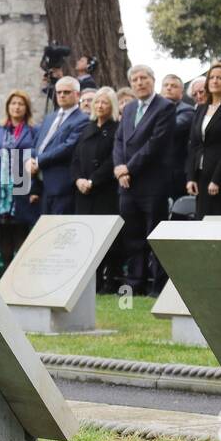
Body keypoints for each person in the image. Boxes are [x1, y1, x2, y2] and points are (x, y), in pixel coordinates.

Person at [113, 64, 175, 295]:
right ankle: (135, 282)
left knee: (154, 235)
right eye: (135, 79)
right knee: (133, 236)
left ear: (152, 80)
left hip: (152, 183)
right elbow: (119, 141)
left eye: (143, 78)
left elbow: (154, 145)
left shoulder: (165, 107)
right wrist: (120, 168)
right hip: (127, 185)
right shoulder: (128, 109)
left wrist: (128, 169)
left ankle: (157, 285)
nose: (139, 82)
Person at [72, 86, 123, 291]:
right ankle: (91, 281)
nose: (100, 106)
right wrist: (78, 180)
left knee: (105, 239)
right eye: (98, 102)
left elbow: (113, 160)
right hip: (82, 192)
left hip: (104, 191)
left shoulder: (116, 129)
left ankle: (108, 280)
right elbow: (75, 158)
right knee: (86, 239)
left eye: (105, 103)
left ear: (112, 106)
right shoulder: (87, 128)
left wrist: (93, 180)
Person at [0, 90, 39, 272]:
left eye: (21, 104)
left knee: (21, 231)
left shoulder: (33, 131)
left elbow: (38, 161)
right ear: (8, 106)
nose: (16, 107)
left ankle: (22, 273)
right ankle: (6, 271)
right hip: (1, 190)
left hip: (23, 188)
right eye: (13, 103)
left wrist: (36, 190)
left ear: (26, 108)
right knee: (4, 232)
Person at [186, 62, 221, 218]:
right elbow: (194, 145)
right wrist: (190, 177)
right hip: (200, 176)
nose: (215, 81)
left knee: (218, 222)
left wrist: (217, 179)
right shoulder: (201, 109)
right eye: (211, 77)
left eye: (220, 78)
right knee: (201, 221)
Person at [28, 75, 89, 215]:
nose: (61, 95)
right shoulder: (50, 117)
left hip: (62, 186)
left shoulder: (83, 120)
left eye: (66, 92)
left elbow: (67, 147)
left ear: (77, 94)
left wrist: (38, 161)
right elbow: (37, 143)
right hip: (41, 185)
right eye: (59, 92)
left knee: (60, 230)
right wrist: (29, 160)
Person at [161, 73, 196, 200]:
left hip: (177, 174)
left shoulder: (187, 111)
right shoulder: (153, 111)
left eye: (174, 86)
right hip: (157, 173)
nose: (169, 88)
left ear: (181, 93)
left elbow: (173, 128)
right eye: (166, 85)